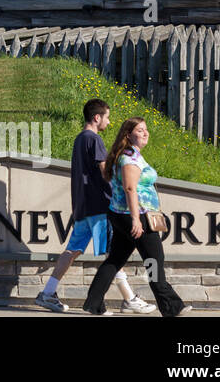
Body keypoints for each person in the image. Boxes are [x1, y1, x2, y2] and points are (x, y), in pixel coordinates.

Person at [35, 100, 155, 314]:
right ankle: (129, 299)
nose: (109, 122)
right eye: (107, 117)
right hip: (100, 206)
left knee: (72, 251)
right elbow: (104, 171)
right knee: (113, 254)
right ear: (97, 117)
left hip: (82, 206)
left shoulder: (79, 139)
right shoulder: (94, 139)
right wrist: (119, 188)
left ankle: (47, 293)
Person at [82, 117, 190, 317]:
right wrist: (135, 220)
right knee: (154, 261)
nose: (145, 133)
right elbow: (130, 188)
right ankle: (171, 306)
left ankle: (93, 302)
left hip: (123, 215)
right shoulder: (129, 157)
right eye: (140, 130)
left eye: (146, 129)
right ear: (128, 134)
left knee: (115, 260)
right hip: (136, 216)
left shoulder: (130, 155)